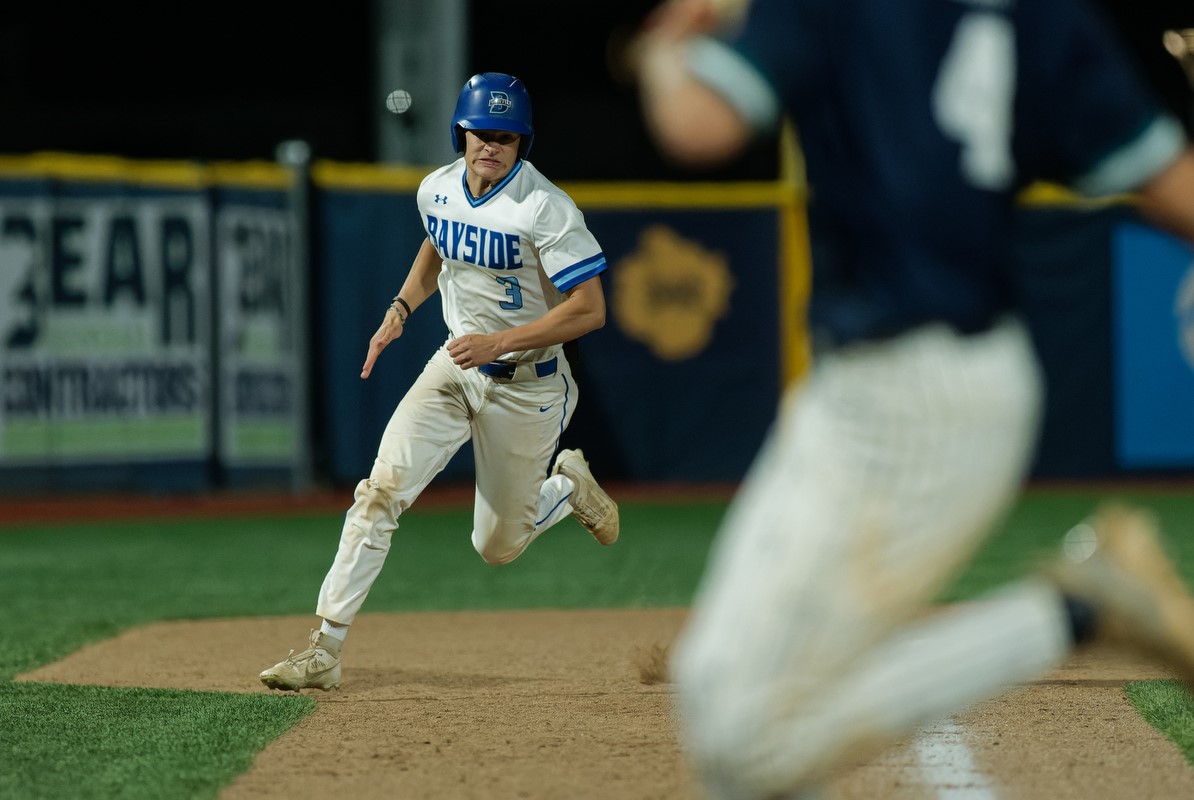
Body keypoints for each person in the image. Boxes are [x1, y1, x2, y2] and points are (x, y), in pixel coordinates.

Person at [628, 0, 1194, 797]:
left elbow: (697, 125)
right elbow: (1173, 186)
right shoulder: (1046, 15)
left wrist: (663, 47)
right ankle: (1084, 605)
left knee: (740, 736)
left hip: (909, 407)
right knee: (715, 690)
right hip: (914, 390)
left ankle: (1078, 609)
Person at [260, 72, 620, 692]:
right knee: (379, 491)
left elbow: (590, 309)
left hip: (528, 384)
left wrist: (500, 341)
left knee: (497, 546)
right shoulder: (437, 190)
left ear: (522, 143)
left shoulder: (544, 207)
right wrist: (400, 309)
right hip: (455, 366)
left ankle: (565, 486)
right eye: (482, 133)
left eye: (506, 137)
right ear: (461, 133)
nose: (492, 146)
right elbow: (439, 247)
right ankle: (324, 648)